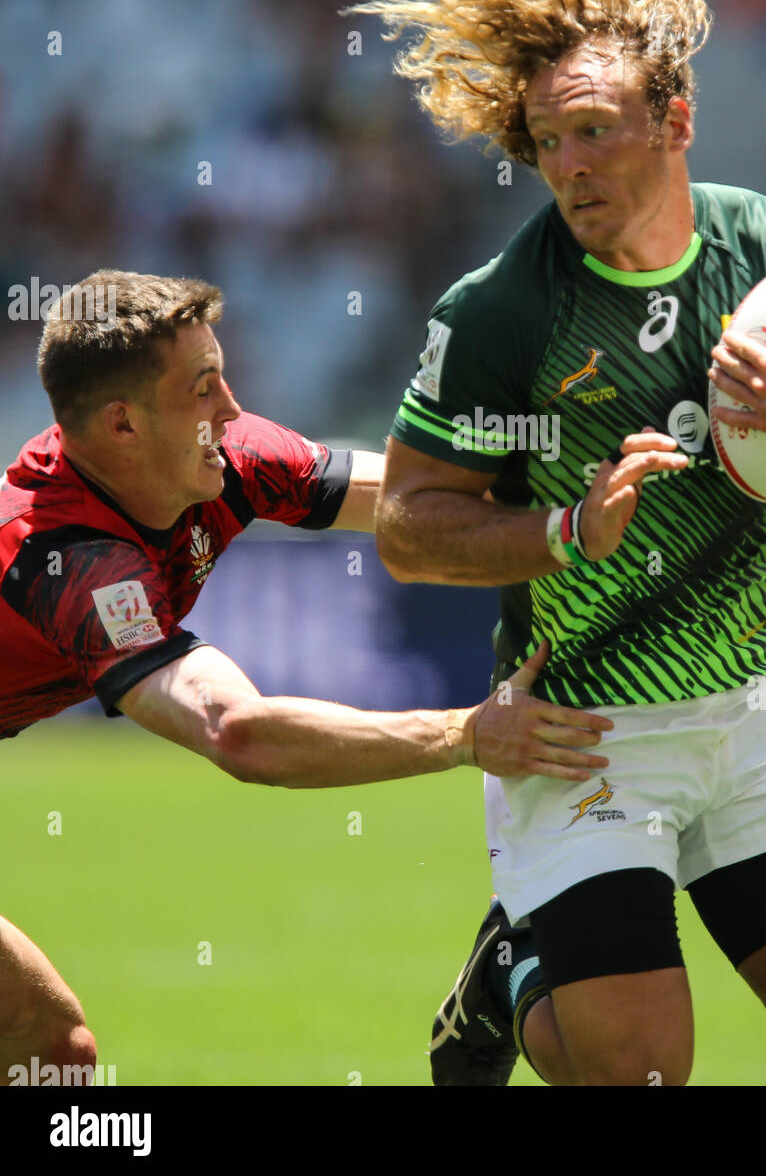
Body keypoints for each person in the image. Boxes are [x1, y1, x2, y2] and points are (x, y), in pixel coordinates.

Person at [349, 0, 766, 1087]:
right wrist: (568, 528)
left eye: (591, 129)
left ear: (674, 117)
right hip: (581, 733)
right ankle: (524, 979)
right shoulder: (500, 312)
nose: (566, 165)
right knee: (634, 1069)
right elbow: (408, 530)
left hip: (751, 712)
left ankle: (536, 955)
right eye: (543, 140)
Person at [0, 269, 612, 1086]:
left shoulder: (228, 454)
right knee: (50, 1046)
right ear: (122, 424)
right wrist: (466, 734)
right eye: (205, 386)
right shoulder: (68, 559)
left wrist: (635, 507)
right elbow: (239, 734)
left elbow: (414, 501)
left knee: (51, 1054)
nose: (231, 406)